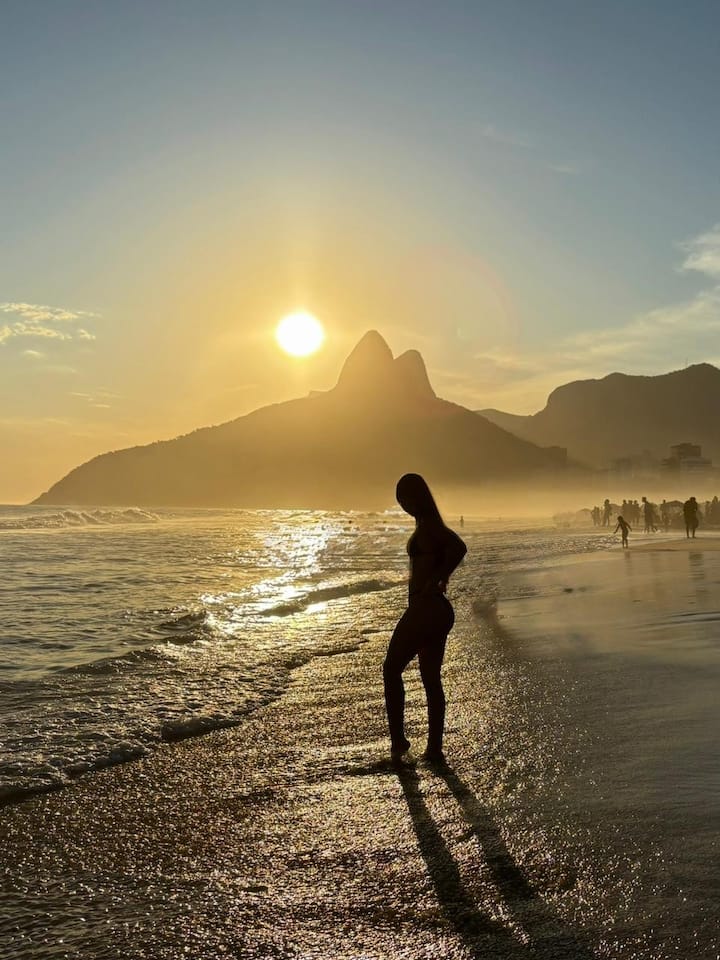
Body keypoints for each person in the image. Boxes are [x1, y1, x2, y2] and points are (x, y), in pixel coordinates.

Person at [383, 473, 467, 763]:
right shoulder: (425, 525)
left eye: (406, 498)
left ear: (417, 497)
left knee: (391, 668)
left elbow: (459, 547)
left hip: (425, 607)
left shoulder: (430, 526)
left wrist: (439, 576)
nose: (403, 504)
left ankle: (398, 743)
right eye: (400, 500)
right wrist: (438, 576)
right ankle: (433, 749)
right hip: (435, 609)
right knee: (430, 679)